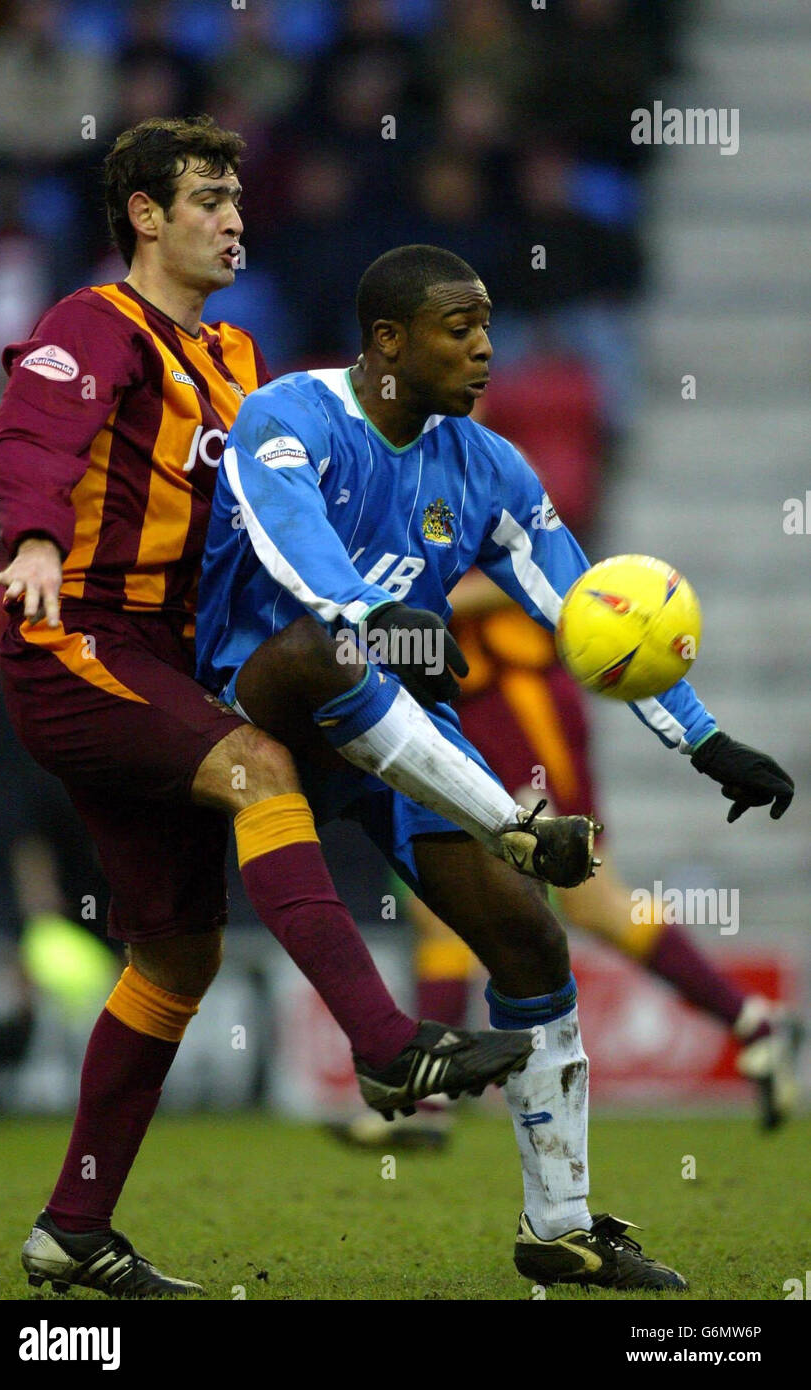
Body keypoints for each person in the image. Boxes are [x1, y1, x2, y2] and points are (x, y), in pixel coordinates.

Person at [0, 125, 554, 1299]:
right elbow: (32, 434)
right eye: (206, 200)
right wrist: (33, 531)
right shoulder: (95, 325)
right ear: (144, 216)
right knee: (256, 766)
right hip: (77, 640)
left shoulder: (239, 355)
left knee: (176, 958)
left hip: (172, 665)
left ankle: (74, 1228)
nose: (234, 218)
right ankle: (386, 1046)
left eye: (238, 197)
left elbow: (294, 507)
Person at [195, 243, 794, 1291]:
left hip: (393, 731)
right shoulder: (287, 417)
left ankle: (557, 1225)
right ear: (386, 342)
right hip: (261, 696)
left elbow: (582, 609)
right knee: (339, 651)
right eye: (457, 328)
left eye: (486, 325)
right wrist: (376, 615)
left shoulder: (488, 467)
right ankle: (508, 822)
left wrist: (700, 738)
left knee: (528, 937)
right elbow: (291, 550)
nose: (484, 348)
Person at [339, 573, 802, 1150]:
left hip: (518, 703)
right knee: (441, 901)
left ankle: (753, 1021)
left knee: (585, 895)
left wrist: (395, 607)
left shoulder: (470, 485)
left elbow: (543, 570)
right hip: (454, 708)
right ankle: (429, 1105)